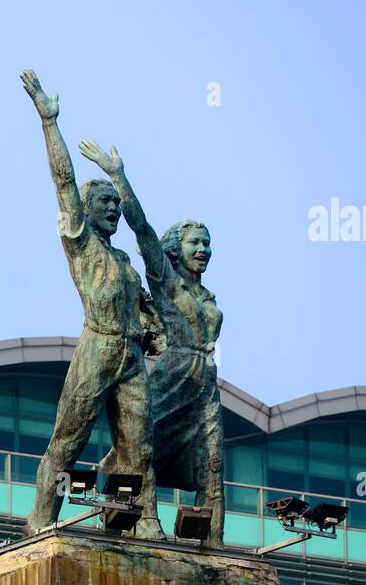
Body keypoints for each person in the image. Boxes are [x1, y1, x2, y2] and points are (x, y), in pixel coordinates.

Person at [19, 71, 164, 538]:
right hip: (97, 347)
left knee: (139, 444)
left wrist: (156, 332)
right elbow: (63, 180)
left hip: (131, 356)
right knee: (69, 437)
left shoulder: (125, 262)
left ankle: (145, 520)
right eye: (105, 202)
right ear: (86, 208)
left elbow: (151, 316)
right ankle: (42, 518)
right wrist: (49, 121)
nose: (113, 209)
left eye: (116, 204)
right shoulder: (81, 242)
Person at [79, 140, 226, 548]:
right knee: (139, 447)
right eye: (196, 243)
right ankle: (137, 519)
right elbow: (142, 228)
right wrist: (118, 176)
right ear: (176, 250)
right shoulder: (166, 280)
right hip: (173, 373)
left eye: (207, 243)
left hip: (205, 381)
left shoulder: (208, 297)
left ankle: (214, 541)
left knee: (213, 462)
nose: (204, 250)